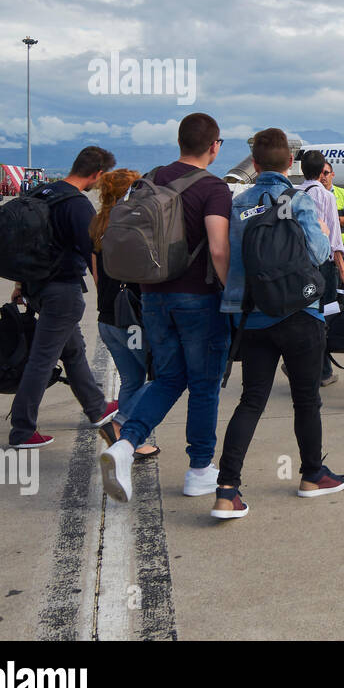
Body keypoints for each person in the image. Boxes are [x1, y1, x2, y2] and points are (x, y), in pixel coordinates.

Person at [205, 127, 344, 520]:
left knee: (251, 400)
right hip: (301, 313)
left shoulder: (238, 203)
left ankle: (227, 490)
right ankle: (312, 475)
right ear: (290, 162)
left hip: (254, 317)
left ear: (254, 163)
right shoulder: (298, 200)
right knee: (306, 399)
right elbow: (319, 252)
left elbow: (228, 256)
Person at [100, 113, 232, 502]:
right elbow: (219, 248)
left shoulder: (149, 179)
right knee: (204, 385)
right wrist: (232, 293)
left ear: (179, 142)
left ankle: (125, 445)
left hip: (152, 296)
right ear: (214, 146)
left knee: (168, 379)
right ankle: (200, 470)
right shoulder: (213, 187)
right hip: (199, 300)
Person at [6, 147, 118, 449]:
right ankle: (22, 430)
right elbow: (94, 253)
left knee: (73, 350)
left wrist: (20, 284)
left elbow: (25, 245)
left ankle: (96, 407)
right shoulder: (77, 205)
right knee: (42, 360)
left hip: (37, 287)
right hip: (62, 293)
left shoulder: (42, 193)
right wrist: (105, 296)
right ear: (97, 173)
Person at [89, 168, 158, 458]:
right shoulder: (132, 227)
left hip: (108, 318)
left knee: (131, 380)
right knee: (162, 378)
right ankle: (120, 425)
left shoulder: (98, 225)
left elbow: (97, 277)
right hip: (132, 322)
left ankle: (133, 442)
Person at [296, 150, 344, 387]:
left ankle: (302, 364)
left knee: (303, 314)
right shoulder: (327, 197)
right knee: (324, 315)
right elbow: (335, 241)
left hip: (299, 267)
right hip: (323, 267)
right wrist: (343, 272)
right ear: (321, 172)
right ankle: (322, 370)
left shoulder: (294, 194)